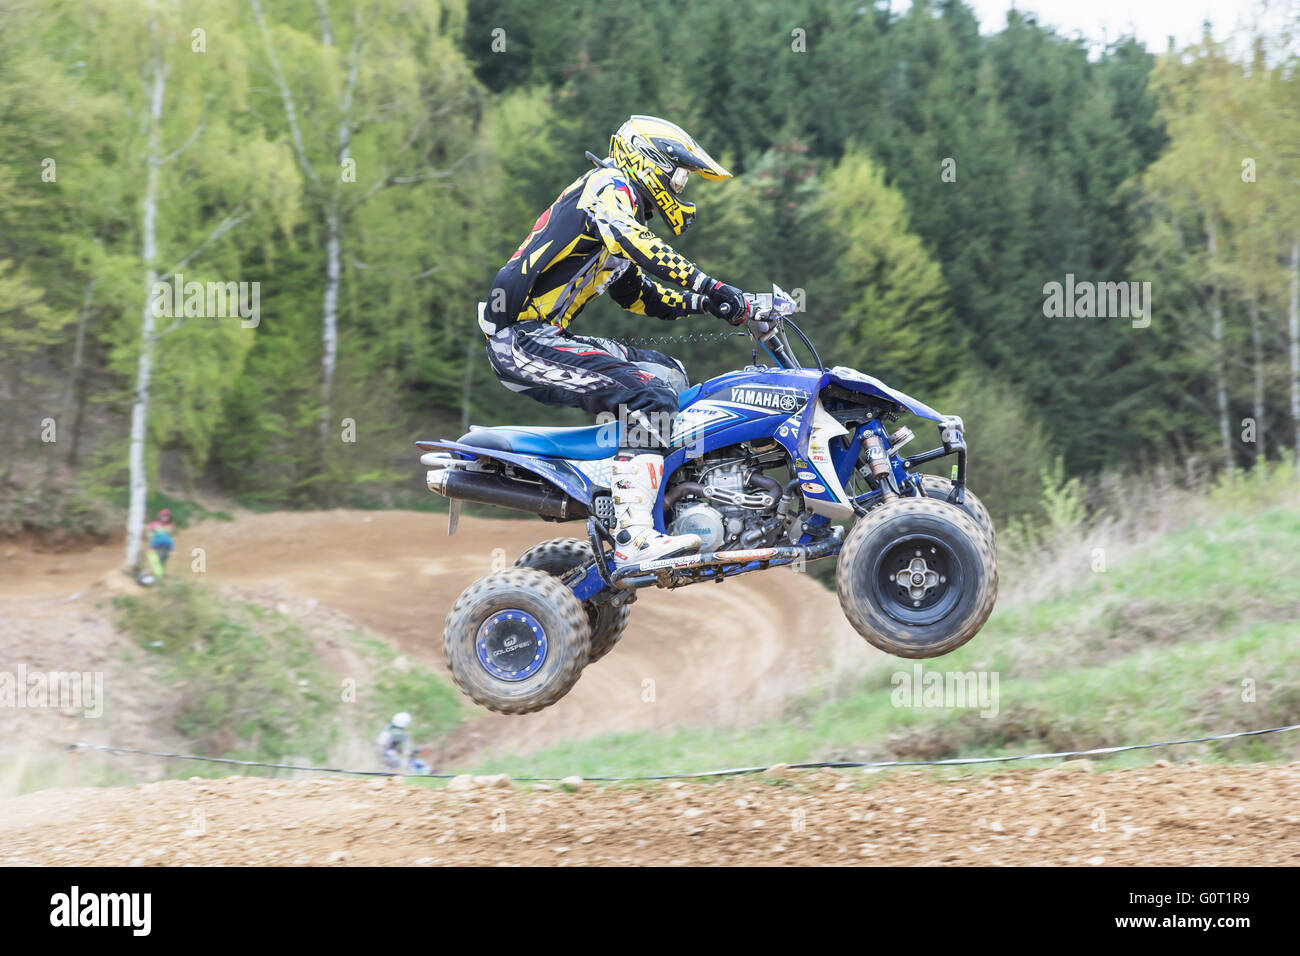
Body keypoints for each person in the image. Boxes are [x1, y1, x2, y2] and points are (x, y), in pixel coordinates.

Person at [479, 115, 751, 567]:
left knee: (668, 376)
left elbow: (639, 294)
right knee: (649, 397)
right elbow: (637, 242)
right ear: (651, 163)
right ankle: (633, 533)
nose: (680, 189)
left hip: (546, 336)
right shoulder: (608, 186)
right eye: (679, 176)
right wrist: (710, 285)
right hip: (518, 339)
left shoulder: (611, 212)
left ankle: (647, 489)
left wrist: (706, 306)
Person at [142, 508, 175, 582]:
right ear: (160, 516)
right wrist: (151, 546)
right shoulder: (155, 524)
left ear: (169, 517)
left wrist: (172, 549)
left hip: (166, 549)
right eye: (163, 515)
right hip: (156, 548)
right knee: (155, 564)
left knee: (162, 565)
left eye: (167, 516)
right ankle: (152, 580)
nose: (165, 517)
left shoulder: (171, 526)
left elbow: (171, 538)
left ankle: (158, 580)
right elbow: (151, 536)